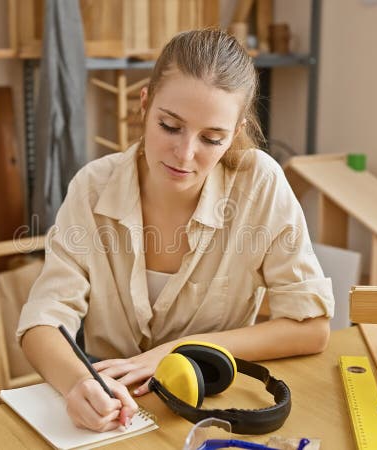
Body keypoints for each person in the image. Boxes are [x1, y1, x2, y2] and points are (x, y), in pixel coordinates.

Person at [17, 28, 334, 432]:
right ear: (145, 105)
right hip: (110, 405)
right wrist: (78, 383)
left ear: (234, 134)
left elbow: (312, 328)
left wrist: (180, 349)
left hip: (212, 410)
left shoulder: (260, 184)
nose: (185, 155)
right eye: (170, 126)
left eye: (212, 138)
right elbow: (42, 322)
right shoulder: (91, 186)